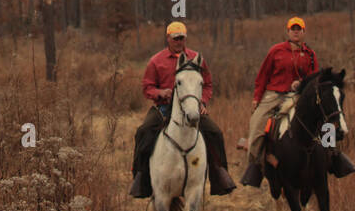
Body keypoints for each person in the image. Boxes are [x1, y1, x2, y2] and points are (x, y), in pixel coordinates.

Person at [129, 22, 236, 198]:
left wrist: (201, 102)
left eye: (182, 38)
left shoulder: (196, 59)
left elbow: (207, 84)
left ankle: (220, 176)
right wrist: (160, 92)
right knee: (144, 131)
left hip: (191, 108)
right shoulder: (156, 61)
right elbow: (147, 87)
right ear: (168, 38)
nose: (179, 41)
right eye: (176, 38)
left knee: (215, 133)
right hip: (163, 107)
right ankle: (141, 178)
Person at [241, 17, 319, 186]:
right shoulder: (276, 51)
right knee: (256, 127)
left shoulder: (310, 55)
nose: (296, 31)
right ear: (288, 31)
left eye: (299, 29)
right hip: (274, 95)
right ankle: (255, 167)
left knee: (324, 121)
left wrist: (302, 83)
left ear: (304, 32)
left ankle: (333, 157)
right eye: (293, 29)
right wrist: (256, 98)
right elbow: (262, 76)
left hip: (298, 96)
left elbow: (315, 80)